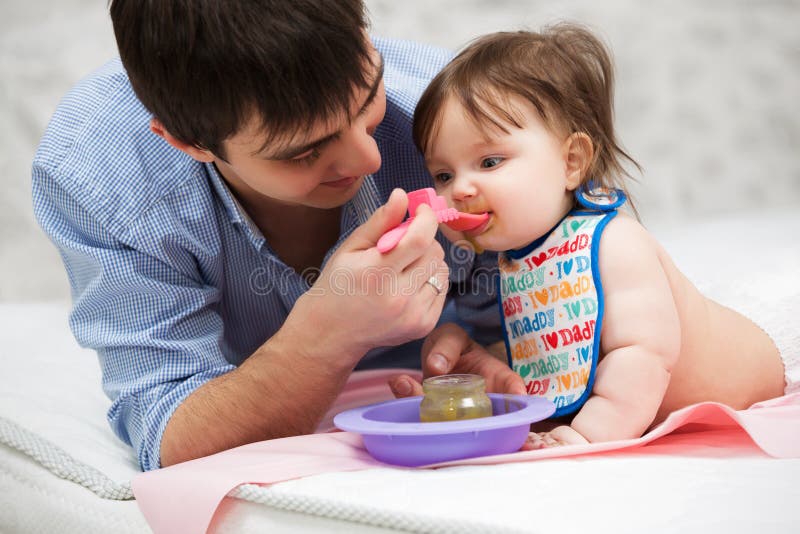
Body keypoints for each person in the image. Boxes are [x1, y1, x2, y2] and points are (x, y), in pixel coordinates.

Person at [31, 0, 508, 471]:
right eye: (304, 152)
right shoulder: (99, 173)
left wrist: (489, 345)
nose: (370, 160)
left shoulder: (478, 113)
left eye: (368, 101)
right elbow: (169, 430)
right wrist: (328, 335)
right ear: (187, 141)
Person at [392, 23, 792, 446]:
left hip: (766, 367)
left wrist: (586, 436)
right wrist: (484, 380)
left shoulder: (615, 245)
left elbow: (642, 356)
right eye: (443, 174)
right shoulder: (514, 262)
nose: (460, 189)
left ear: (572, 162)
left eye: (490, 162)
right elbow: (558, 348)